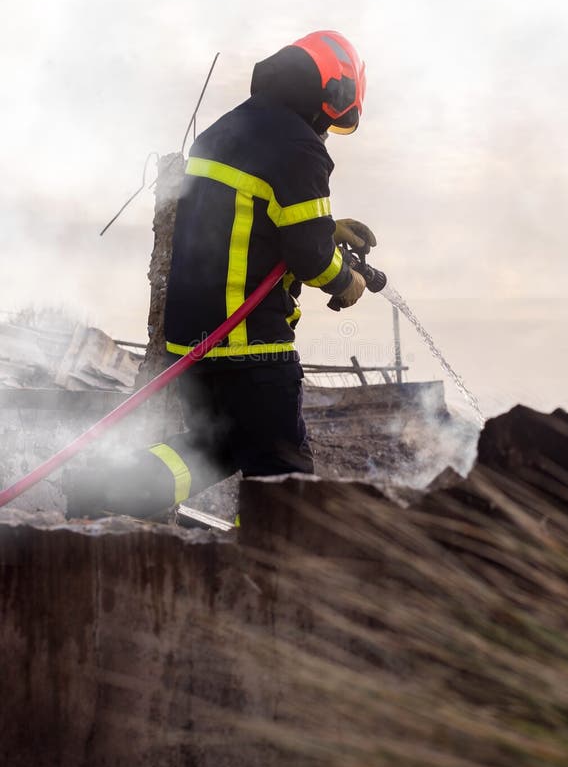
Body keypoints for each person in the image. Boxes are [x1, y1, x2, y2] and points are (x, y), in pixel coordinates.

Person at [66, 31, 377, 519]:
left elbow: (253, 216)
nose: (326, 130)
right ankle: (266, 572)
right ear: (328, 95)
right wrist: (346, 281)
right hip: (251, 346)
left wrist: (326, 225)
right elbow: (311, 255)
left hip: (195, 344)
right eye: (332, 119)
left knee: (216, 447)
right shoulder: (299, 147)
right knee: (282, 470)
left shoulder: (227, 130)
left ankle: (103, 490)